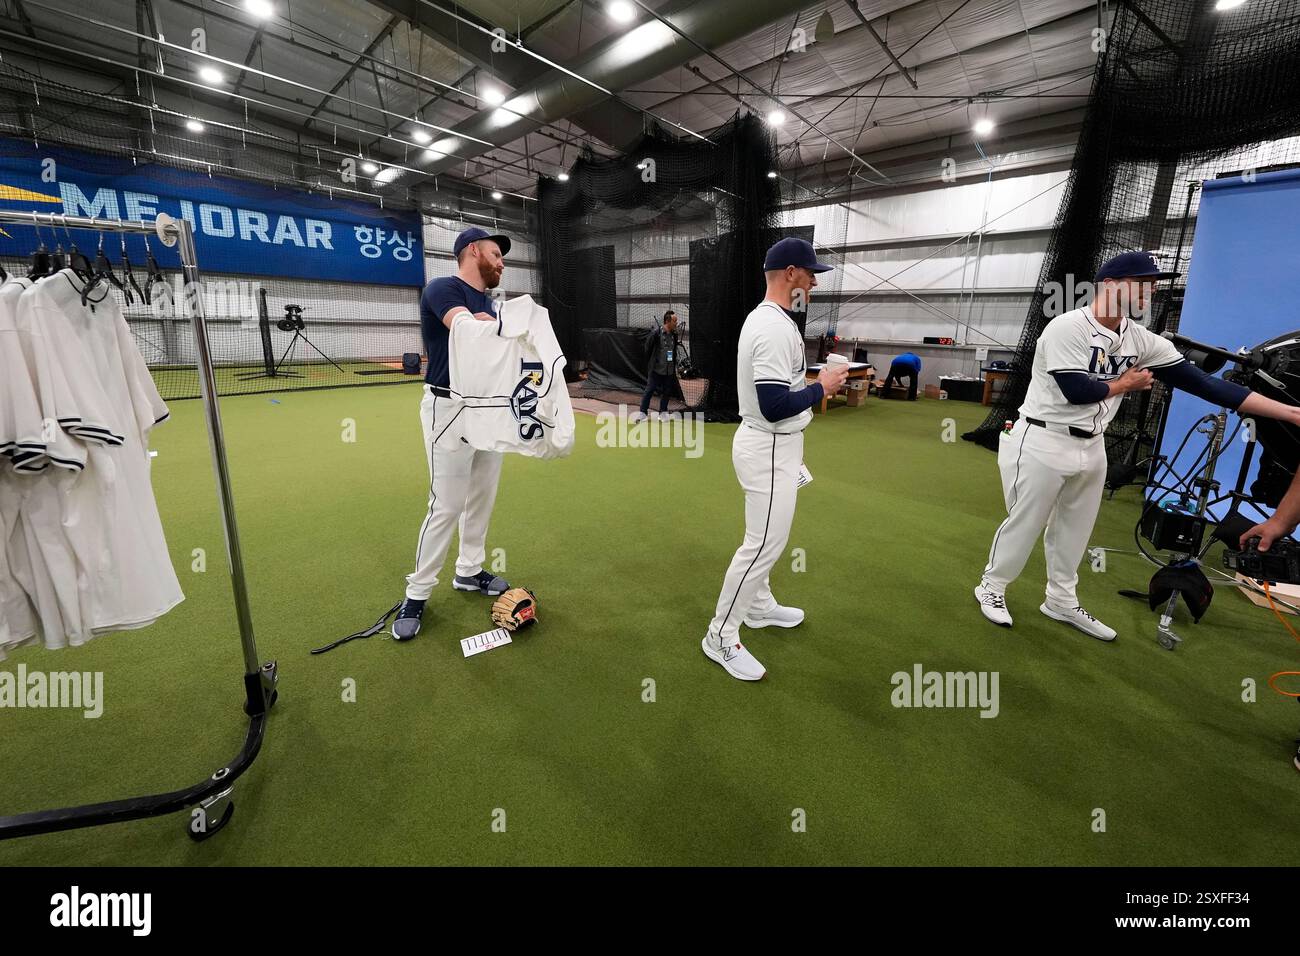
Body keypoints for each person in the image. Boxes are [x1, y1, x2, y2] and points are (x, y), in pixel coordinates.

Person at [973, 250, 1300, 642]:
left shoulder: (1140, 339)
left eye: (1153, 284)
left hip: (1092, 446)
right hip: (1042, 436)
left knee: (1075, 530)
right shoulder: (1067, 327)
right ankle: (992, 587)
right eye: (1142, 282)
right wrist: (1123, 385)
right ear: (1110, 285)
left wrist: (1292, 414)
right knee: (1027, 522)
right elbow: (1077, 391)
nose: (1151, 290)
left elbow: (1209, 386)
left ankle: (1060, 600)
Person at [702, 237, 849, 681]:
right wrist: (821, 386)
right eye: (811, 274)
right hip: (767, 444)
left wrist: (812, 382)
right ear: (791, 274)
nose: (815, 282)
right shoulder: (769, 325)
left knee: (766, 539)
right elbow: (772, 404)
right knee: (762, 544)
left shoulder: (777, 320)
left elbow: (780, 389)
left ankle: (760, 608)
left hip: (778, 446)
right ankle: (720, 635)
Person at [392, 227, 513, 641]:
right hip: (447, 407)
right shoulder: (442, 288)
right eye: (496, 254)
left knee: (482, 495)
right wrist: (486, 325)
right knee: (446, 504)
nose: (501, 262)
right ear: (473, 251)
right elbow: (463, 328)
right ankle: (417, 593)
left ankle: (469, 570)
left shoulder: (493, 304)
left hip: (487, 409)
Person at [640, 310, 679, 417]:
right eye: (674, 321)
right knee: (649, 390)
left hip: (669, 370)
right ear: (667, 321)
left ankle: (662, 413)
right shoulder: (656, 334)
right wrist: (651, 364)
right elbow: (647, 349)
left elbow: (673, 351)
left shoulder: (674, 335)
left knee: (666, 392)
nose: (676, 323)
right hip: (656, 370)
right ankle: (643, 413)